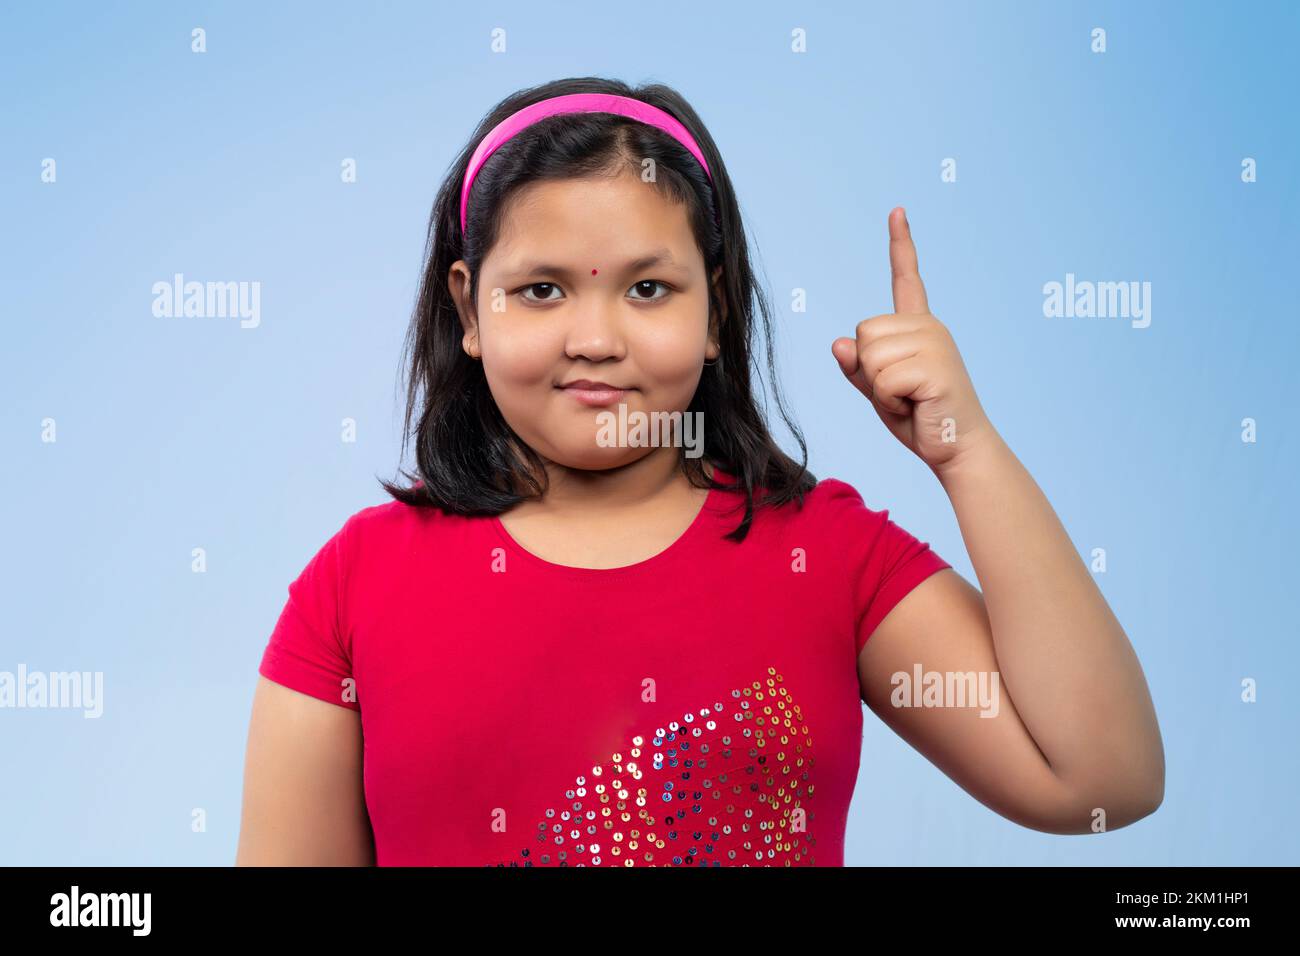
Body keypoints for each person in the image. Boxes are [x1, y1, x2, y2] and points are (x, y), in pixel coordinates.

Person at [236, 77, 1164, 867]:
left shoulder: (830, 557)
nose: (595, 339)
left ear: (716, 309)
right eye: (541, 289)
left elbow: (1100, 779)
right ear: (469, 309)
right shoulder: (355, 587)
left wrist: (968, 453)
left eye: (648, 289)